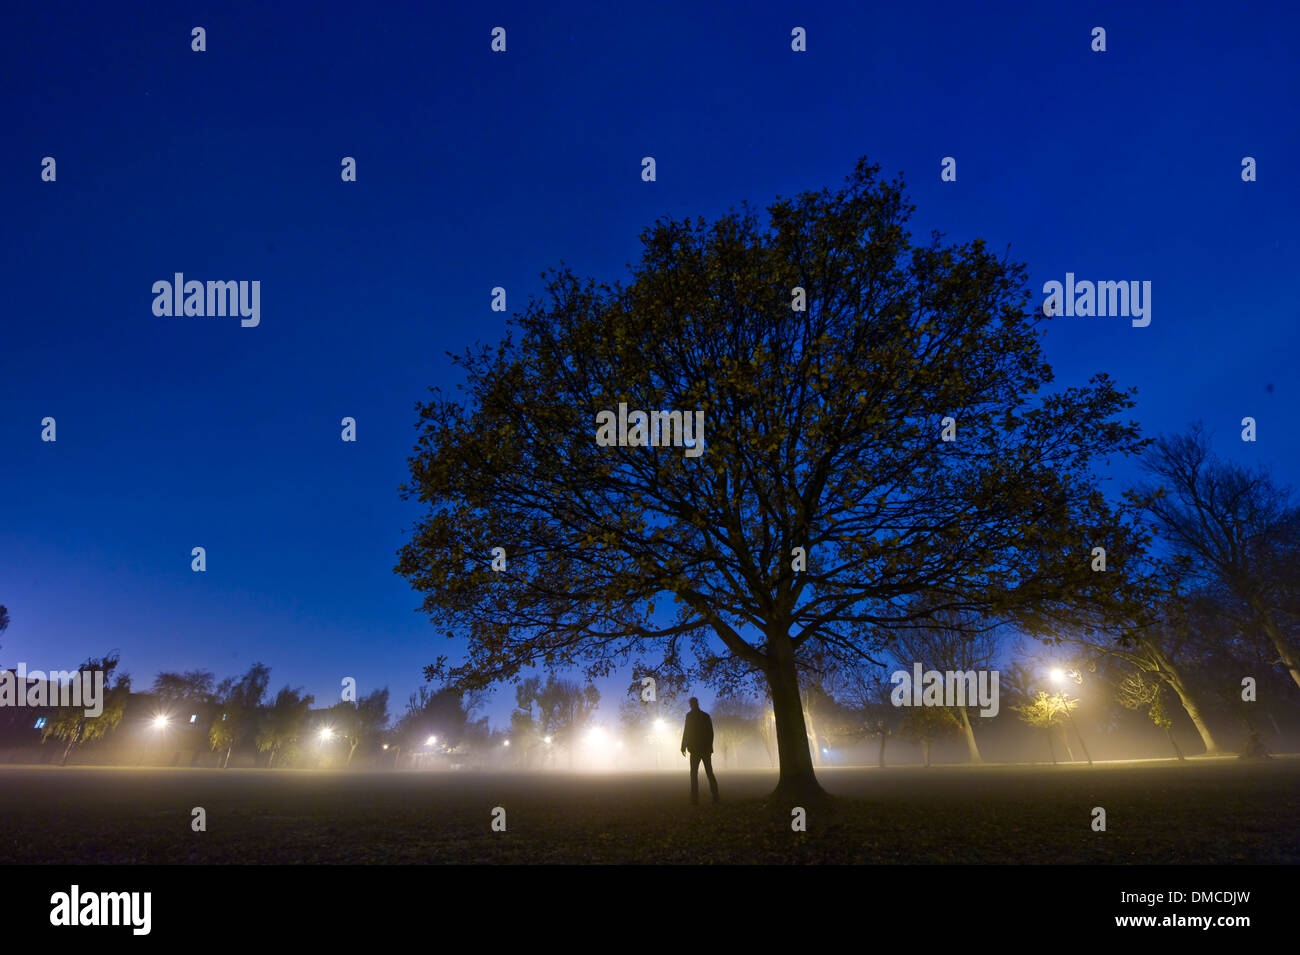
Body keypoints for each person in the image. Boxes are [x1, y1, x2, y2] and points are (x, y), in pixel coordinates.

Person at [680, 697, 720, 804]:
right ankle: (715, 796)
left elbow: (686, 732)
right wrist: (709, 747)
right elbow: (710, 733)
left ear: (691, 704)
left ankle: (694, 799)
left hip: (695, 750)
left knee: (694, 774)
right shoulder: (705, 716)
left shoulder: (689, 716)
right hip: (704, 750)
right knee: (709, 773)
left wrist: (683, 746)